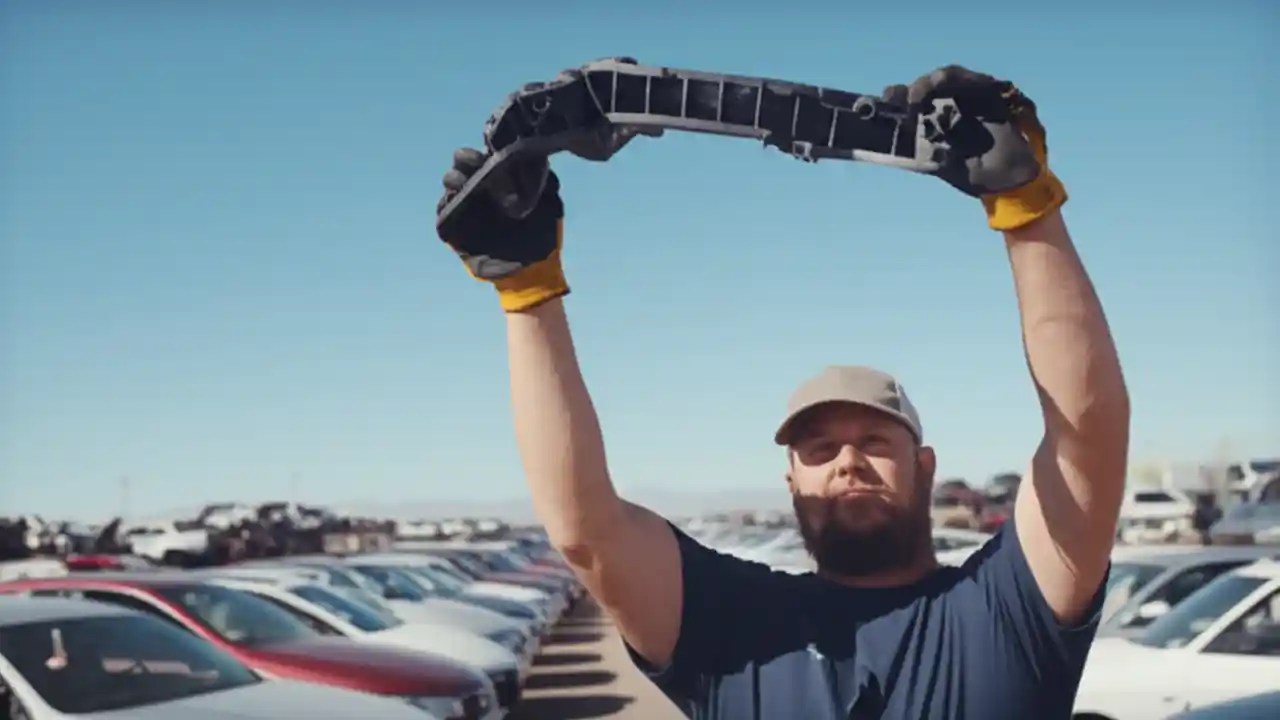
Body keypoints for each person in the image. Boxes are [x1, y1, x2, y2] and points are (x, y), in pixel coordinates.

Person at [436, 64, 1130, 719]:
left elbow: (1087, 433)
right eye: (820, 449)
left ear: (925, 467)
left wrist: (1027, 208)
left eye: (874, 441)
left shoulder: (1006, 609)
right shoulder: (734, 627)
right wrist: (526, 292)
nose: (847, 461)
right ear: (791, 483)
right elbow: (586, 532)